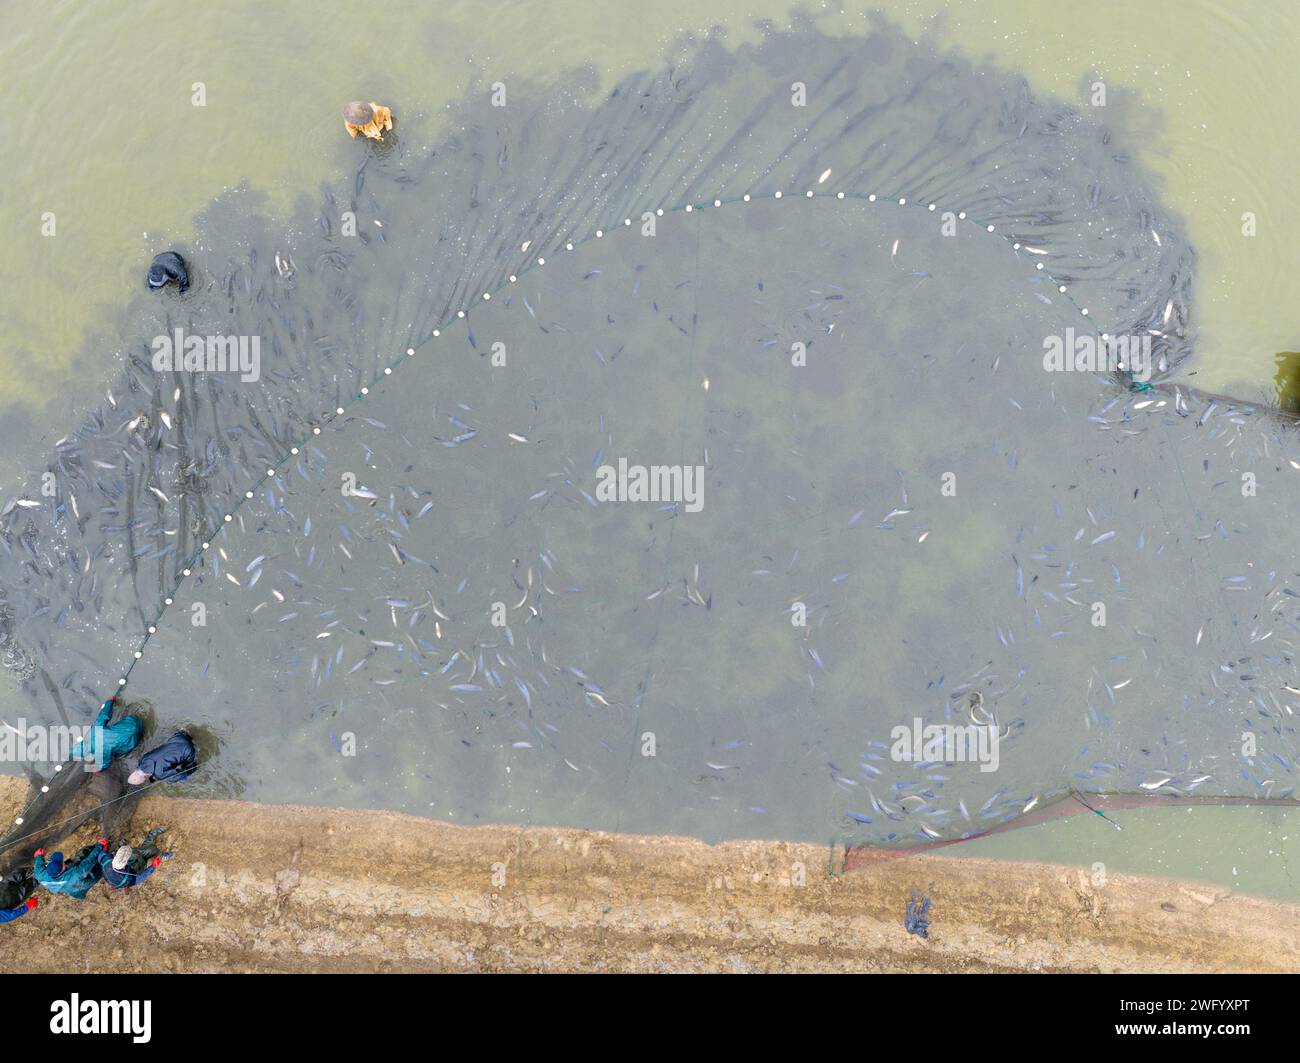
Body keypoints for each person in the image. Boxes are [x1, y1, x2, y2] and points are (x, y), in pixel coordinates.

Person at [69, 695, 141, 773]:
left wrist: (98, 770)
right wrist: (109, 701)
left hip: (132, 741)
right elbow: (103, 715)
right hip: (131, 722)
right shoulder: (93, 731)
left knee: (117, 754)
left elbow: (105, 763)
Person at [95, 828, 173, 890]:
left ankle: (150, 841)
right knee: (143, 858)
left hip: (121, 867)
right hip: (133, 871)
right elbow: (140, 877)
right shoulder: (127, 878)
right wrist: (153, 866)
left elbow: (101, 855)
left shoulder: (106, 860)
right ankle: (153, 846)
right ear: (125, 863)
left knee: (138, 852)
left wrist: (103, 846)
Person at [33, 843, 104, 900]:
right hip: (80, 884)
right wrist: (100, 846)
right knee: (96, 869)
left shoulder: (40, 874)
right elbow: (89, 861)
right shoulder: (77, 874)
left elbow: (38, 865)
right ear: (63, 867)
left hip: (68, 885)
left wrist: (38, 856)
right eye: (61, 862)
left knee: (80, 856)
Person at [128, 731, 197, 785]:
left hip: (188, 750)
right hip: (178, 738)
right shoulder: (143, 759)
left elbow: (180, 775)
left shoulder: (160, 775)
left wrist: (184, 777)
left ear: (145, 778)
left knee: (190, 769)